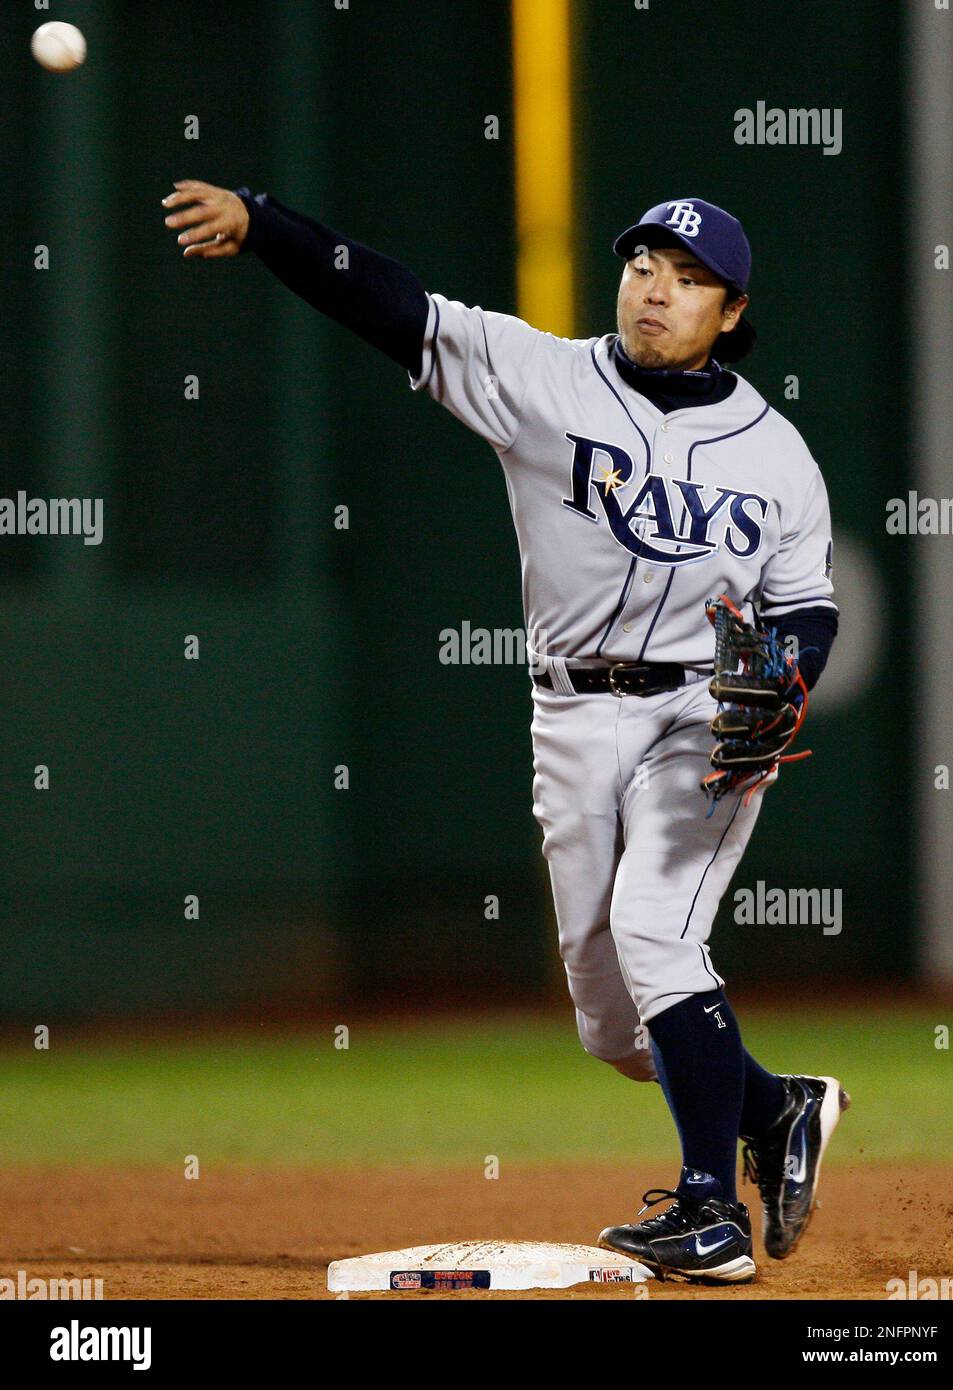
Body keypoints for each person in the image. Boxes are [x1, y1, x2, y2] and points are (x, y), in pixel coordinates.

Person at [162, 182, 848, 1284]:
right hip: (571, 711)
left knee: (658, 931)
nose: (655, 289)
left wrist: (792, 678)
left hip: (699, 722)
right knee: (616, 1029)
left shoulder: (778, 453)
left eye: (687, 278)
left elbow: (805, 603)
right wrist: (265, 223)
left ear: (731, 311)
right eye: (642, 266)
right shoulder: (541, 376)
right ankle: (779, 1107)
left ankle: (711, 1208)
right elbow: (392, 306)